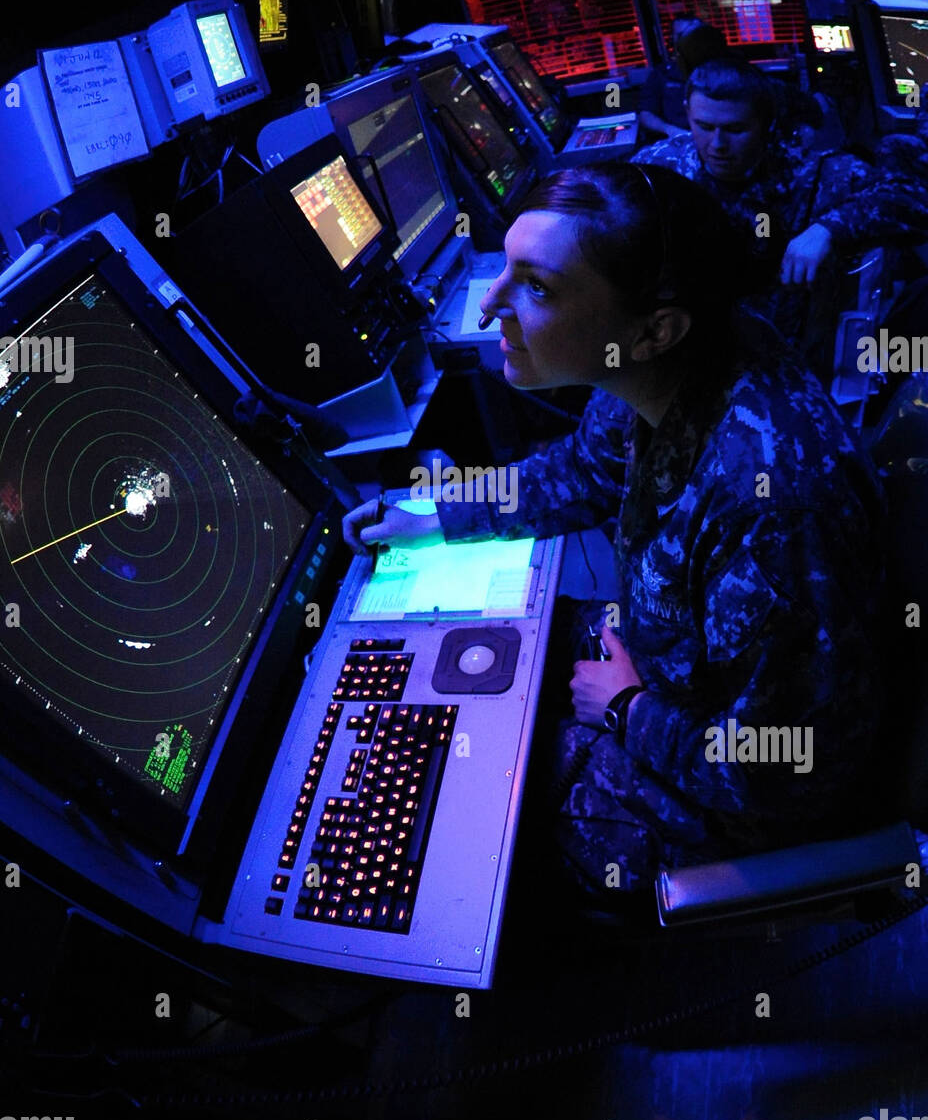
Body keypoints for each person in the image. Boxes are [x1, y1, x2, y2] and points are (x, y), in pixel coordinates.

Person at [343, 163, 887, 906]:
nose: (489, 307)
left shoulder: (771, 508)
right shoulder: (654, 371)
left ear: (654, 328)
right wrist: (436, 515)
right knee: (477, 676)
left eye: (536, 287)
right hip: (665, 670)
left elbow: (784, 768)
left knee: (482, 814)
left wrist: (629, 710)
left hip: (737, 793)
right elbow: (580, 471)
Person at [632, 58, 928, 375]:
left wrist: (826, 228)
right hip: (688, 355)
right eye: (704, 127)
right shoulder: (659, 167)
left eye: (735, 129)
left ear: (767, 122)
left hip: (787, 363)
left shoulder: (813, 173)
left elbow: (913, 199)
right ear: (688, 112)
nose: (717, 145)